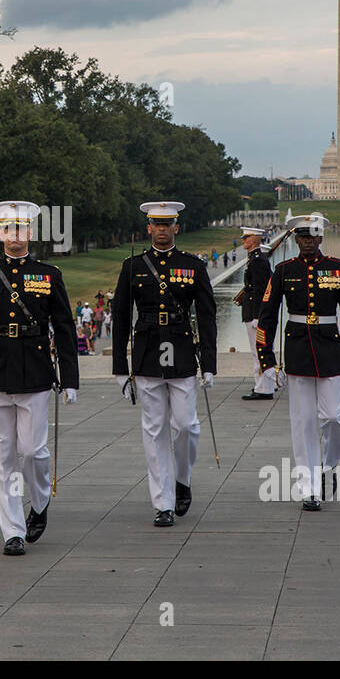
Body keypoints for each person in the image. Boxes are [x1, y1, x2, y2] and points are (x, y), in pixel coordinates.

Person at [0, 200, 79, 556]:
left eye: (21, 228)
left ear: (30, 233)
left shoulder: (48, 274)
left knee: (32, 451)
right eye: (8, 228)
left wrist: (69, 378)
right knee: (3, 454)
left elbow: (65, 328)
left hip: (36, 370)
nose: (15, 234)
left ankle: (39, 503)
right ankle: (12, 528)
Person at [111, 200, 216, 527]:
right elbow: (121, 316)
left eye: (166, 224)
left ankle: (182, 478)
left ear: (176, 228)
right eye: (155, 225)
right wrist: (119, 364)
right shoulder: (133, 266)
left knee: (186, 425)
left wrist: (209, 363)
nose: (161, 230)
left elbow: (208, 315)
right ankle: (163, 502)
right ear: (148, 228)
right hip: (147, 350)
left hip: (182, 348)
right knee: (154, 429)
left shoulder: (193, 266)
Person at [256, 214, 340, 510]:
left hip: (329, 350)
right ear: (296, 239)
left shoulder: (339, 269)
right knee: (302, 424)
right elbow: (267, 316)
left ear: (321, 238)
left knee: (334, 418)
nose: (308, 242)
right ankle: (309, 488)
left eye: (313, 237)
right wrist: (267, 361)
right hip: (298, 348)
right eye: (302, 237)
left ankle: (329, 464)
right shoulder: (283, 270)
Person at [237, 227, 276, 401]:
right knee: (257, 350)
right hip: (252, 311)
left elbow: (261, 290)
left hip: (255, 313)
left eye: (247, 237)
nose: (243, 240)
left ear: (255, 239)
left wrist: (257, 316)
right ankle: (263, 384)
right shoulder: (254, 258)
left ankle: (264, 388)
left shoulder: (258, 260)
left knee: (258, 350)